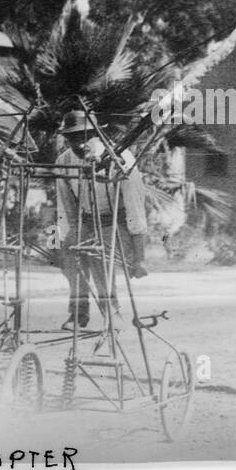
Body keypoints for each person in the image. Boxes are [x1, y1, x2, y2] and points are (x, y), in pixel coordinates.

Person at [53, 110, 150, 329]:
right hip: (86, 221)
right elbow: (65, 206)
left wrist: (139, 259)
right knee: (70, 255)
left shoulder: (120, 158)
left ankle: (112, 313)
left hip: (116, 223)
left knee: (98, 257)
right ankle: (78, 314)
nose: (78, 144)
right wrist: (64, 239)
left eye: (84, 137)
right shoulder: (64, 160)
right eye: (72, 138)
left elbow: (135, 209)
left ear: (95, 134)